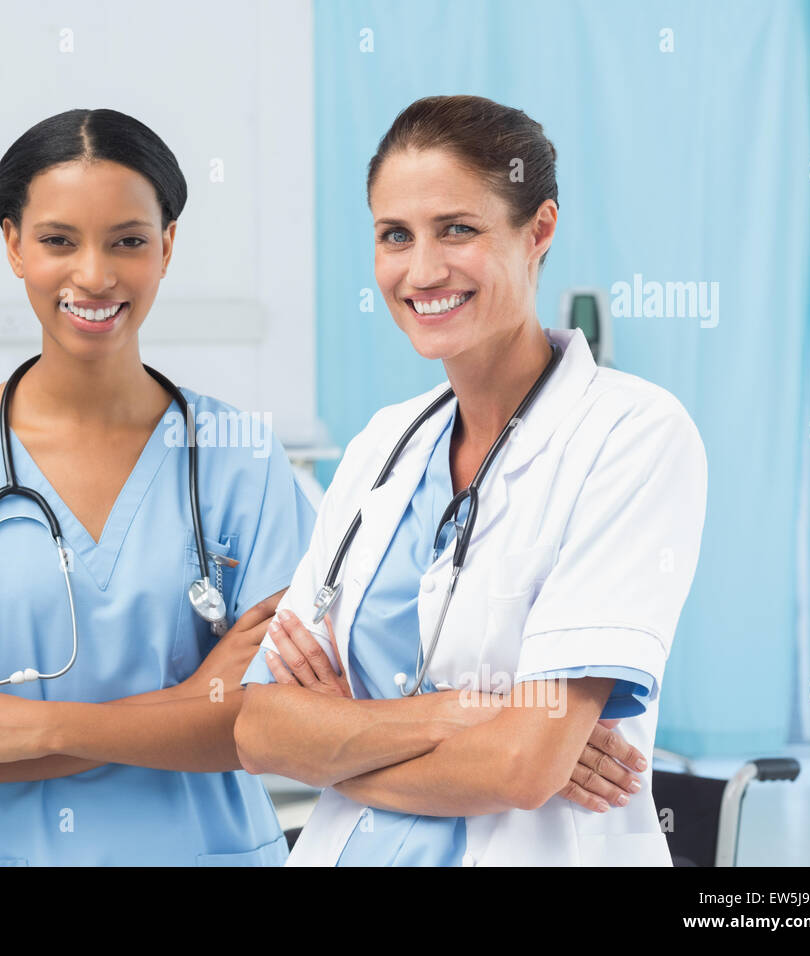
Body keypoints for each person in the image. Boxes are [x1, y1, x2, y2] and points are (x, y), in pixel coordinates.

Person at [233, 94, 708, 866]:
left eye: (458, 229)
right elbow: (257, 732)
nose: (422, 270)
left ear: (538, 231)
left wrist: (342, 737)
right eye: (396, 236)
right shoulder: (381, 447)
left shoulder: (632, 436)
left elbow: (522, 769)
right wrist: (456, 717)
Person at [0, 108, 315, 866]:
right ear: (13, 245)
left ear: (166, 246)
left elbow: (276, 726)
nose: (94, 276)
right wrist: (197, 700)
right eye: (59, 241)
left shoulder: (239, 455)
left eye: (128, 240)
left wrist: (35, 728)